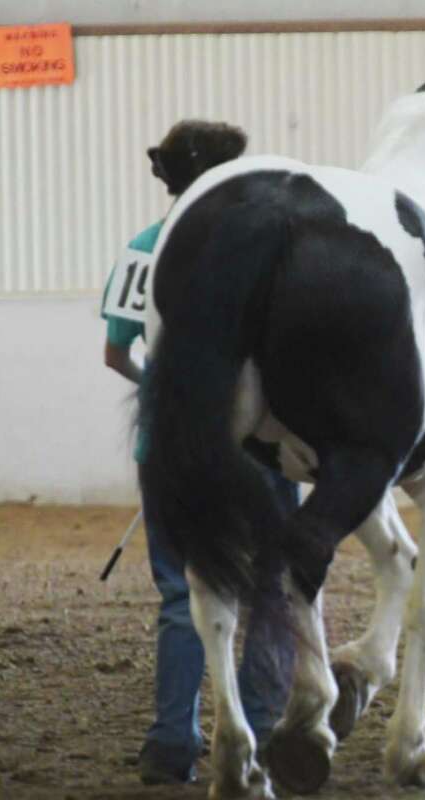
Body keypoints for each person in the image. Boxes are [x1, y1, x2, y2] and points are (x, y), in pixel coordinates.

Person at [100, 120, 300, 784]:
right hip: (265, 449)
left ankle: (171, 744)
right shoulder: (272, 249)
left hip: (172, 449)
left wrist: (168, 393)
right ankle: (261, 728)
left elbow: (115, 353)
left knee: (177, 594)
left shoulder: (145, 247)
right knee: (272, 585)